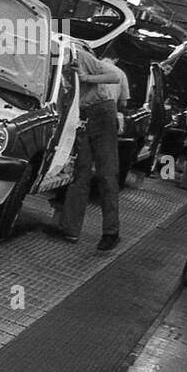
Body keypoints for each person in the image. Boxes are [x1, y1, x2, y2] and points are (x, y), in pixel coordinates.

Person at [47, 41, 124, 251]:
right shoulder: (51, 62)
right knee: (80, 173)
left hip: (102, 111)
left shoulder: (79, 56)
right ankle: (71, 230)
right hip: (83, 116)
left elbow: (114, 76)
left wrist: (86, 77)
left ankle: (111, 232)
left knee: (106, 174)